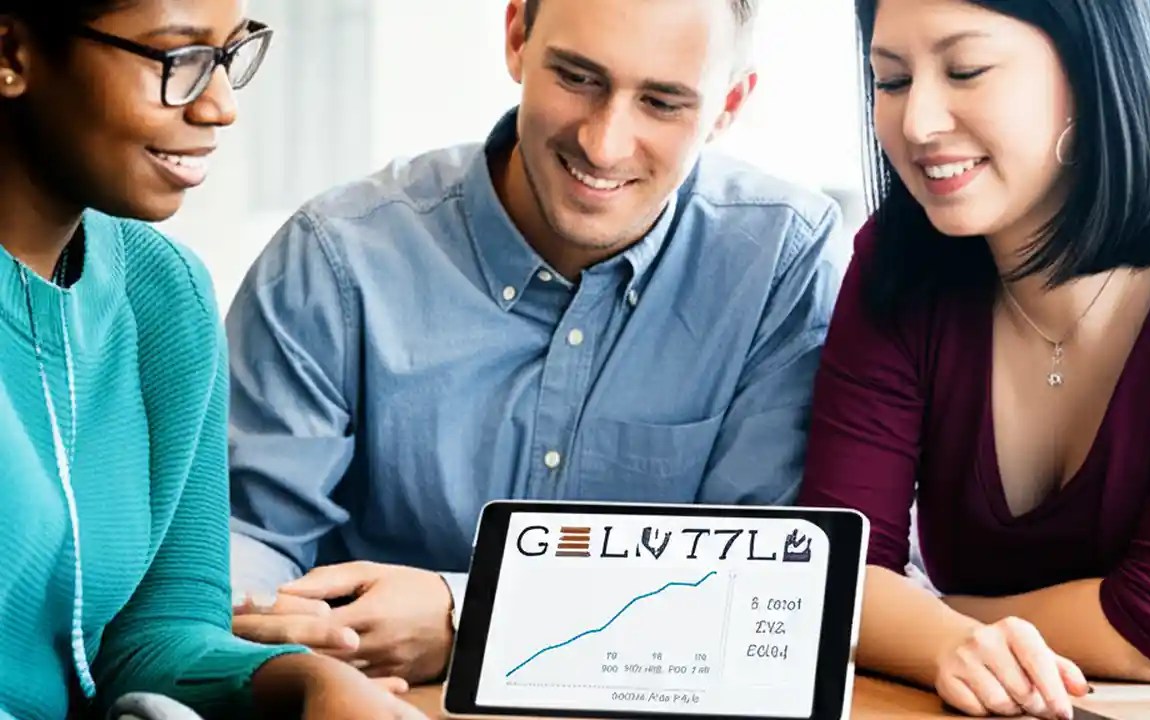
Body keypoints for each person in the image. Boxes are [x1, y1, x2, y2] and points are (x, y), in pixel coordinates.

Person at [225, 0, 842, 688]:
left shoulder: (781, 262)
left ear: (728, 104)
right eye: (578, 78)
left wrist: (473, 617)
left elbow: (771, 591)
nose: (605, 145)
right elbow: (246, 538)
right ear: (517, 35)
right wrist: (297, 650)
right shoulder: (336, 258)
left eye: (663, 103)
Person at [799, 0, 1150, 718]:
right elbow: (832, 567)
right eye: (892, 81)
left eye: (967, 70)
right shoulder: (895, 263)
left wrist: (925, 622)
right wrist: (923, 634)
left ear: (1091, 74)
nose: (918, 123)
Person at [0, 1, 430, 718]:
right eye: (178, 59)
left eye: (230, 55)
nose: (221, 107)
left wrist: (306, 683)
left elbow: (155, 635)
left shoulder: (165, 293)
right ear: (11, 51)